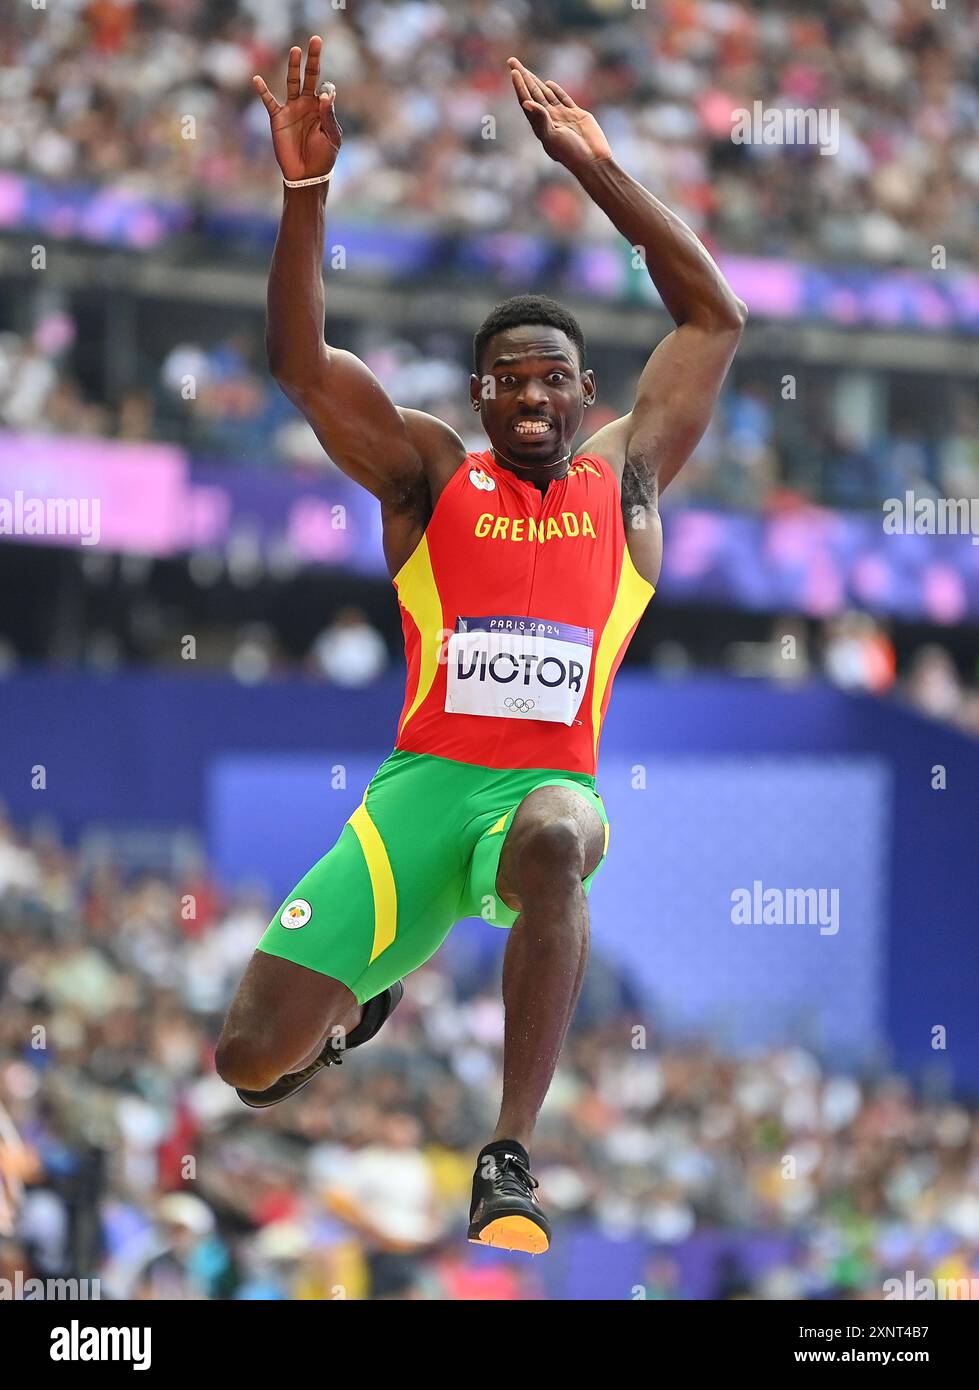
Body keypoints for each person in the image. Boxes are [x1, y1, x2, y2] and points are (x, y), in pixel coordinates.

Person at [216, 36, 747, 1255]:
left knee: (562, 839)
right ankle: (362, 1009)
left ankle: (507, 1150)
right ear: (476, 396)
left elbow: (714, 315)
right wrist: (304, 198)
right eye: (507, 380)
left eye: (553, 379)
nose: (531, 398)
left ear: (582, 389)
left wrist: (600, 169)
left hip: (538, 800)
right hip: (419, 800)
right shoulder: (426, 477)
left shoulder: (626, 481)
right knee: (249, 1061)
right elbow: (302, 368)